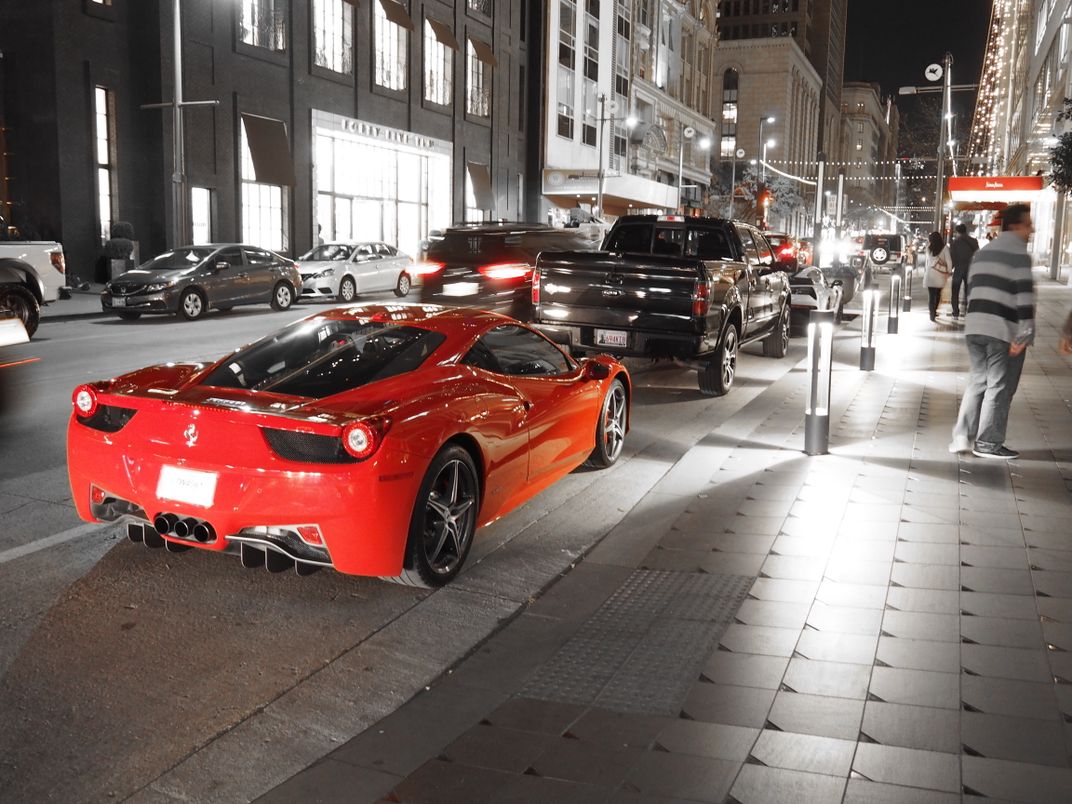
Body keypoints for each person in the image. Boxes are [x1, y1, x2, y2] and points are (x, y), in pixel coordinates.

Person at [949, 203, 1036, 460]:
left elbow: (972, 287)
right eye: (1028, 224)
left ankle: (961, 436)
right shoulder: (1019, 255)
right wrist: (1024, 335)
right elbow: (1024, 297)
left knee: (977, 381)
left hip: (975, 326)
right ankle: (987, 443)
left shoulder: (983, 253)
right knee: (999, 385)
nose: (1031, 229)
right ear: (1015, 226)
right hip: (1001, 329)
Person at [948, 222, 980, 318]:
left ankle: (955, 311)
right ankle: (967, 310)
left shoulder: (955, 242)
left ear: (958, 232)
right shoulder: (973, 241)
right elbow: (978, 254)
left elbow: (952, 256)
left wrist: (951, 268)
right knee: (968, 290)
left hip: (958, 269)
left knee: (955, 290)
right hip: (970, 269)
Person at [923, 231, 952, 321]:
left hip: (930, 274)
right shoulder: (945, 248)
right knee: (938, 294)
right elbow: (949, 261)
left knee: (931, 296)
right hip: (940, 275)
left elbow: (928, 261)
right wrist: (950, 271)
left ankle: (932, 313)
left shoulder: (929, 248)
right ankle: (934, 311)